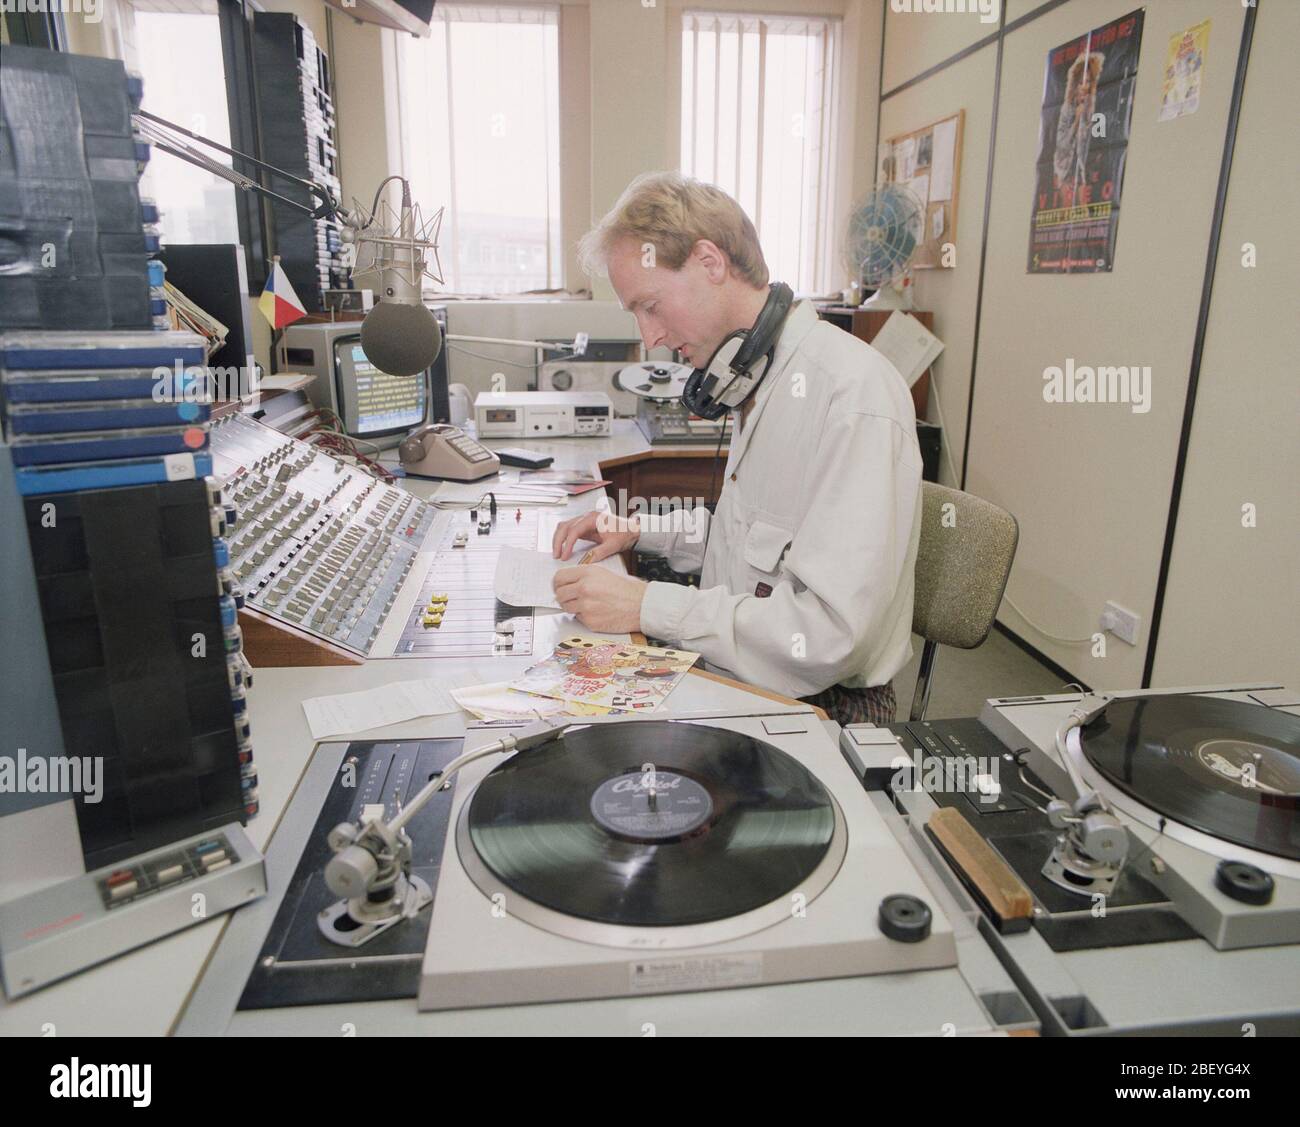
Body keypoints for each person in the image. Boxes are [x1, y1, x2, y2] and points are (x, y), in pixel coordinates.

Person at [550, 172, 923, 725]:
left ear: (710, 262)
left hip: (820, 707)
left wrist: (645, 604)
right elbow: (753, 552)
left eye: (650, 306)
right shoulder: (752, 374)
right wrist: (639, 530)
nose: (649, 337)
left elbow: (826, 637)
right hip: (744, 670)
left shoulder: (851, 396)